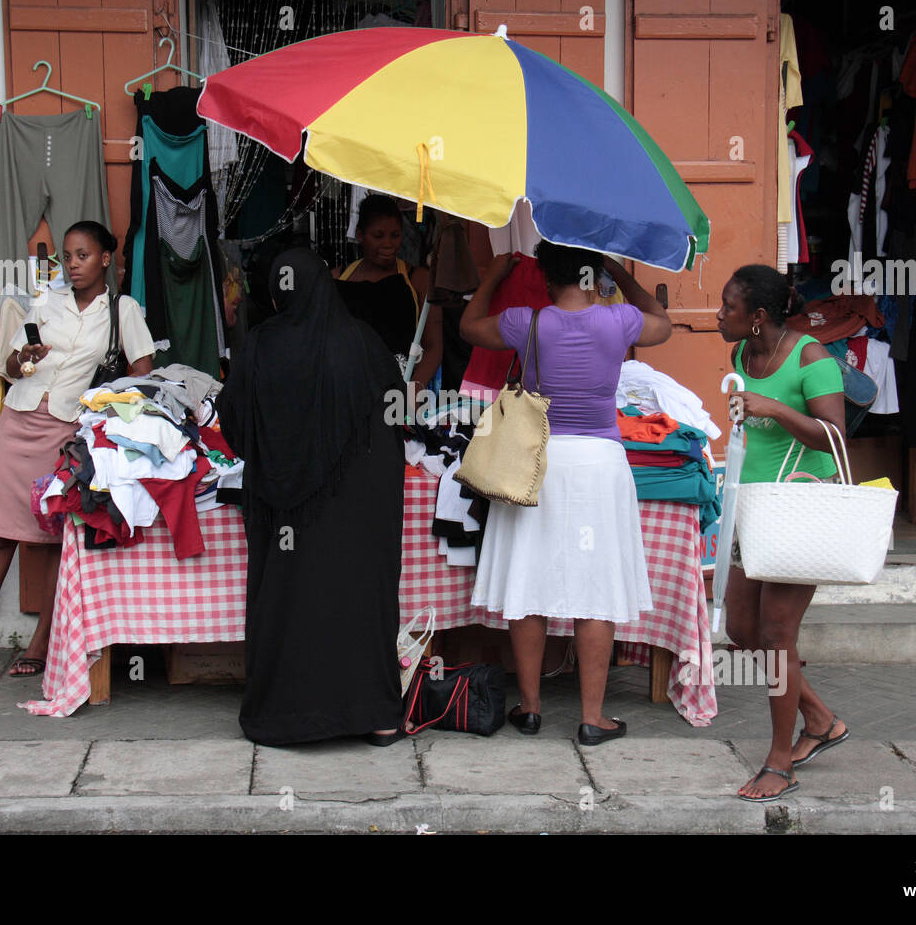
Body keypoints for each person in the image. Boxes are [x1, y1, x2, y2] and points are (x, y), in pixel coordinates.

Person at [459, 242, 671, 746]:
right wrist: (620, 270)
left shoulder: (524, 323)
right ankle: (592, 718)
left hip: (538, 460)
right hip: (599, 465)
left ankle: (530, 708)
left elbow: (468, 326)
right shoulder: (620, 320)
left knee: (529, 583)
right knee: (594, 591)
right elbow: (661, 321)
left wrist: (493, 274)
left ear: (544, 277)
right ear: (594, 276)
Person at [217, 247, 407, 746]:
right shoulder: (364, 343)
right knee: (363, 601)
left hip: (287, 520)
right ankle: (379, 717)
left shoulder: (258, 346)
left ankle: (285, 718)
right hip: (361, 509)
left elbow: (233, 424)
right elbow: (397, 416)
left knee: (288, 603)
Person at [0, 221, 155, 677]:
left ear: (105, 259)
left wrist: (105, 410)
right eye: (67, 256)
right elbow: (8, 363)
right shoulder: (47, 301)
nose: (72, 264)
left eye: (82, 255)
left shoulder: (123, 311)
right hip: (19, 420)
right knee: (0, 535)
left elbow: (142, 375)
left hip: (64, 433)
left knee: (49, 540)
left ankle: (39, 645)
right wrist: (24, 360)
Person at [715, 264, 850, 802]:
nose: (719, 314)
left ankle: (779, 761)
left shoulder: (811, 358)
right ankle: (819, 719)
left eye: (728, 306)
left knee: (776, 637)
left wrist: (772, 407)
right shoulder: (740, 355)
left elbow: (835, 437)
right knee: (744, 630)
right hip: (752, 507)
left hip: (800, 507)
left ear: (759, 316)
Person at [332, 195, 441, 388]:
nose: (388, 244)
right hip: (345, 388)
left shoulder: (418, 279)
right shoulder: (337, 278)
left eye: (395, 235)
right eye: (378, 236)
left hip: (398, 388)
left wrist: (414, 389)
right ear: (359, 235)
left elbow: (434, 346)